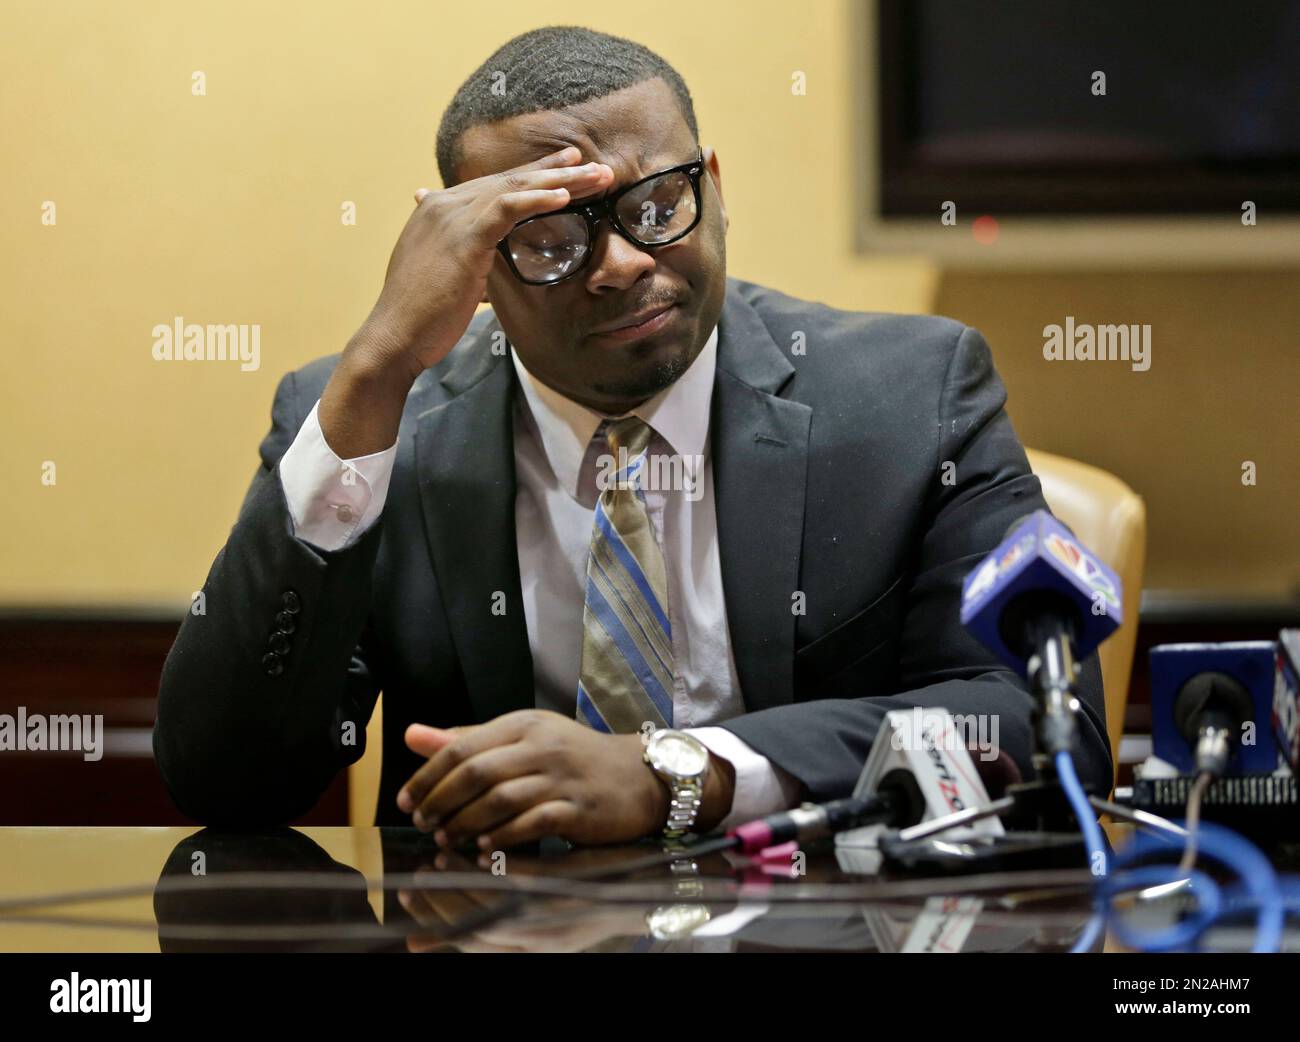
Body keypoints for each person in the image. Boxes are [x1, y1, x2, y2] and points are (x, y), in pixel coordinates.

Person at [153, 25, 1111, 849]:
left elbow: (1034, 724)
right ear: (469, 259)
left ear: (717, 188)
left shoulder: (912, 396)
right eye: (549, 236)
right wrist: (373, 375)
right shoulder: (381, 426)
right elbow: (224, 784)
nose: (618, 265)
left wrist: (675, 775)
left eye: (658, 207)